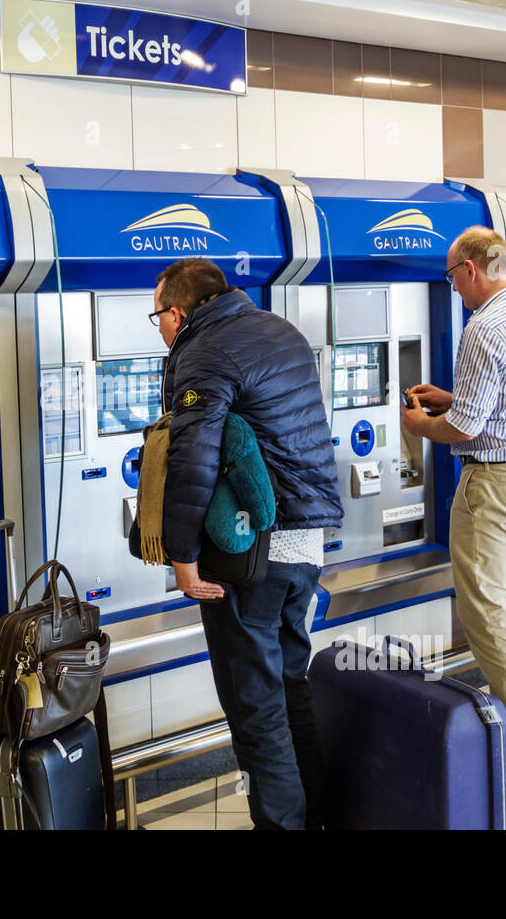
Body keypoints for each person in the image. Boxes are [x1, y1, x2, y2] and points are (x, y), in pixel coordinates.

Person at [151, 257, 343, 829]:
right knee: (289, 684)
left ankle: (282, 824)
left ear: (178, 311)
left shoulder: (204, 350)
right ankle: (318, 815)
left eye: (157, 315)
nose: (159, 327)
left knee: (254, 706)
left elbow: (194, 458)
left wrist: (182, 558)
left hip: (250, 552)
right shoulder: (280, 329)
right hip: (305, 543)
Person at [402, 226, 506, 776]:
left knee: (485, 608)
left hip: (494, 485)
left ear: (471, 269)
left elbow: (466, 430)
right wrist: (451, 399)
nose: (452, 288)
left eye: (451, 277)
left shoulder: (484, 327)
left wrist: (420, 425)